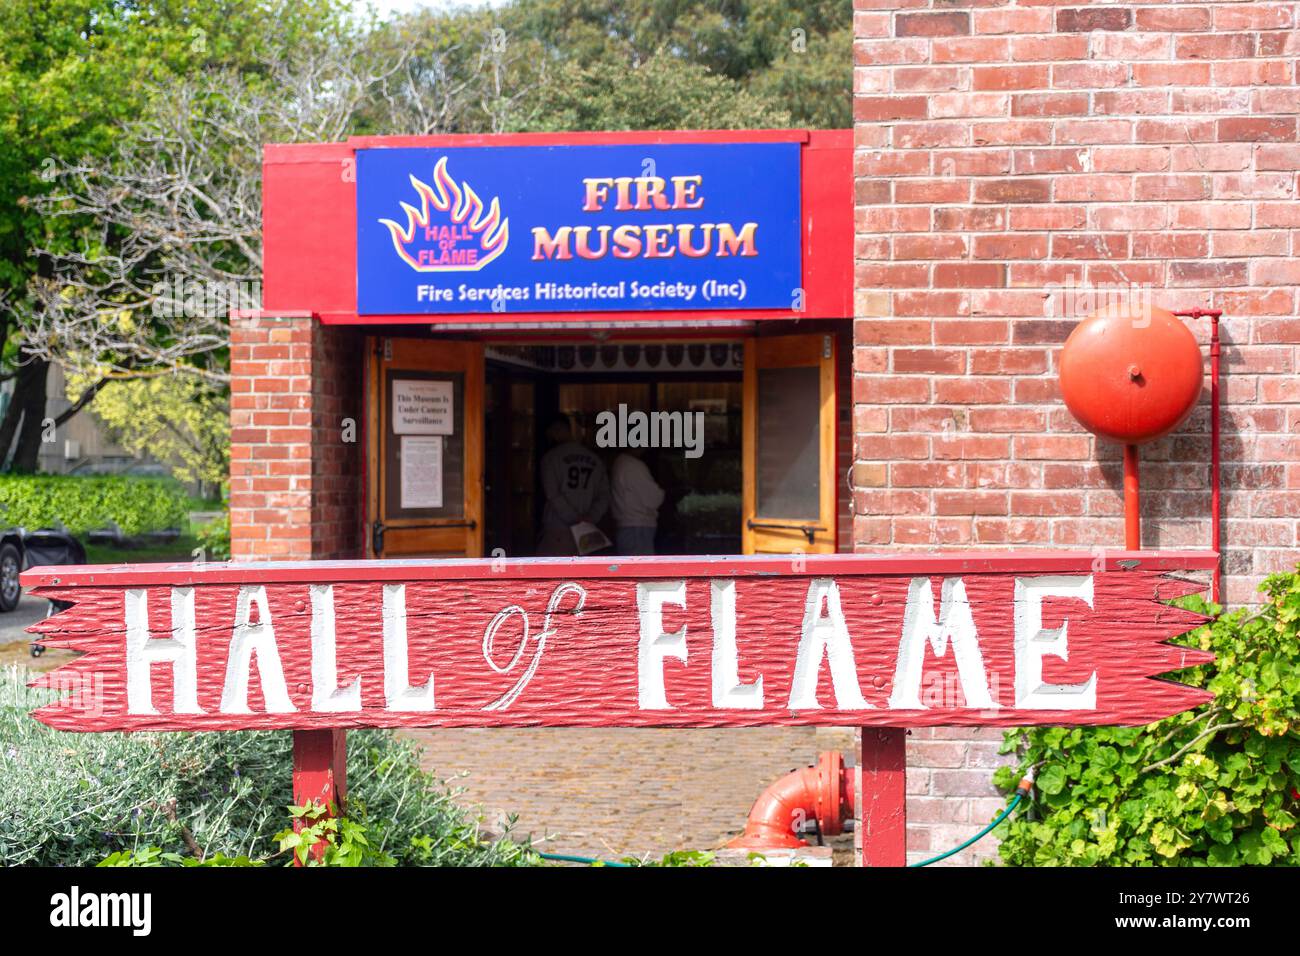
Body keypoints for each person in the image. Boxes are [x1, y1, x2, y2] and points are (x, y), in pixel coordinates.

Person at [537, 416, 610, 556]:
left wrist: (575, 519)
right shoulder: (595, 459)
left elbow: (552, 494)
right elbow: (605, 495)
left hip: (558, 530)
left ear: (557, 430)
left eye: (552, 432)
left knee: (554, 574)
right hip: (587, 532)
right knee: (585, 575)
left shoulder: (551, 458)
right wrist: (589, 518)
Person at [610, 448, 664, 555]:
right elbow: (653, 498)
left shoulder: (621, 463)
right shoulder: (633, 466)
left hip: (629, 526)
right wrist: (662, 492)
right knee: (640, 569)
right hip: (637, 527)